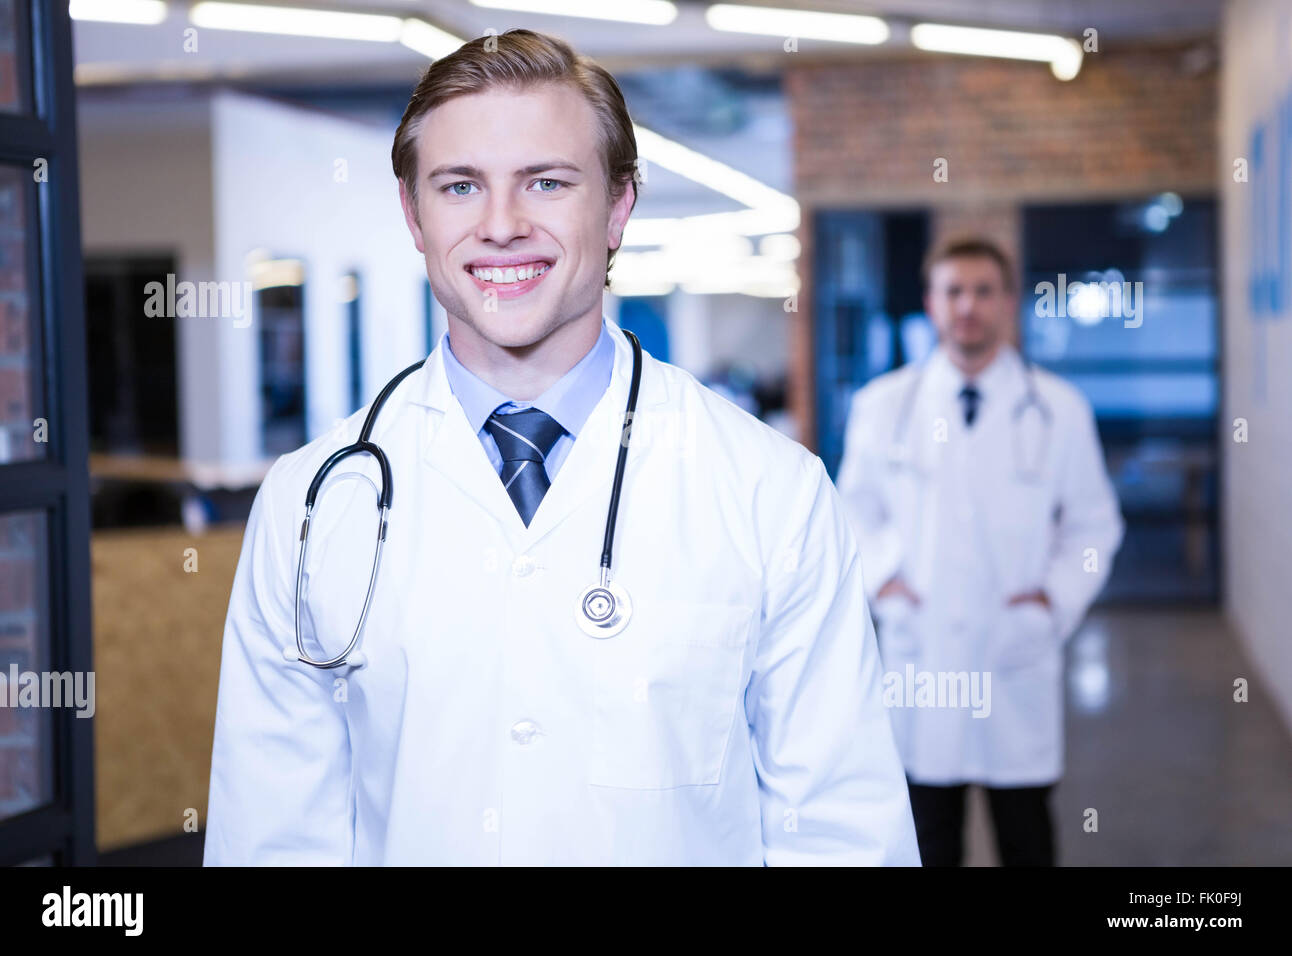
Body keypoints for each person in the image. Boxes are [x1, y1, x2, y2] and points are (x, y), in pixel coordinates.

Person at [203, 29, 919, 866]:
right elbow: (274, 835)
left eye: (546, 181)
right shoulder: (311, 500)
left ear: (618, 206)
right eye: (460, 185)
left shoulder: (771, 490)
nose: (501, 226)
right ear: (414, 214)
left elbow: (839, 831)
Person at [835, 237, 1124, 866]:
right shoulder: (883, 405)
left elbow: (1094, 525)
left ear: (1008, 302)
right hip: (923, 652)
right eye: (953, 291)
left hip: (1014, 653)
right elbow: (850, 510)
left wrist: (1054, 600)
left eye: (983, 291)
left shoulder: (1058, 409)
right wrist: (885, 581)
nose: (968, 305)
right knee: (928, 838)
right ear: (932, 304)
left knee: (1027, 838)